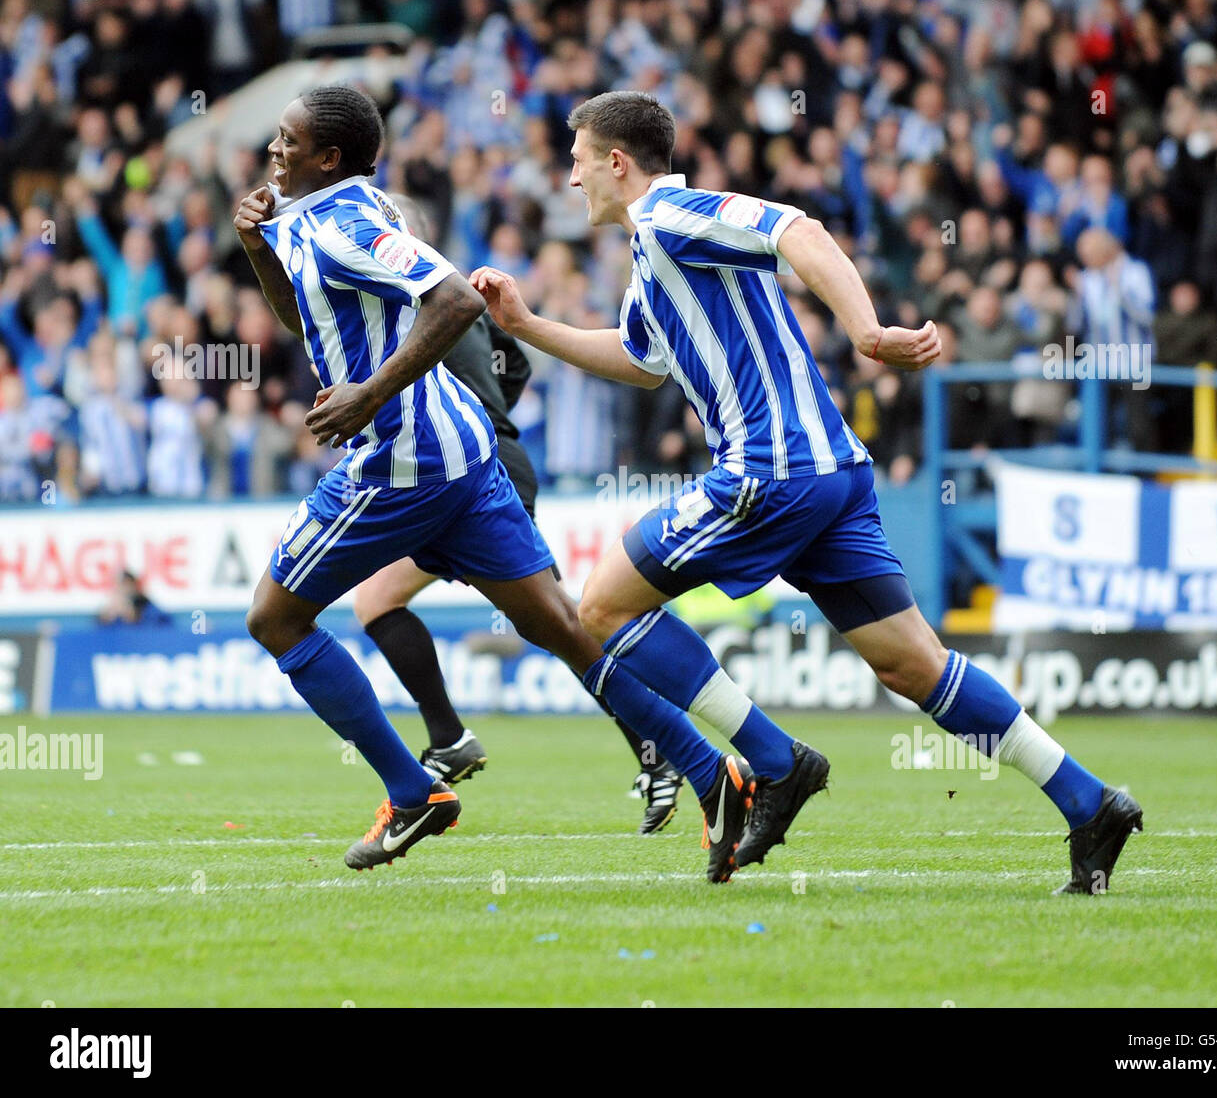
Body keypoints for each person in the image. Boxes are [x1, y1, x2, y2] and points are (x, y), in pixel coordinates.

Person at [471, 91, 1143, 895]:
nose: (571, 179)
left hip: (771, 469)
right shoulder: (652, 258)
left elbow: (800, 229)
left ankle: (775, 763)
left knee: (603, 606)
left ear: (617, 162)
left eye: (577, 162)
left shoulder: (674, 213)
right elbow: (641, 358)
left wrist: (865, 331)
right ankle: (1088, 802)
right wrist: (526, 323)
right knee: (913, 665)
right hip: (832, 472)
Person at [236, 86, 733, 878]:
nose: (275, 149)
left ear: (328, 157)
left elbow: (458, 299)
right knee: (564, 628)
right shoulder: (316, 217)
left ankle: (413, 790)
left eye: (288, 139)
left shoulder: (351, 222)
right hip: (467, 455)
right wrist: (261, 250)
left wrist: (370, 392)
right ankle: (713, 773)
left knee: (275, 618)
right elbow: (311, 323)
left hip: (403, 462)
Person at [350, 194, 684, 834]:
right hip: (489, 454)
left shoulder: (398, 290)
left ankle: (661, 745)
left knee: (561, 621)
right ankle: (450, 736)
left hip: (466, 467)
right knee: (387, 601)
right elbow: (516, 362)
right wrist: (487, 412)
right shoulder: (454, 290)